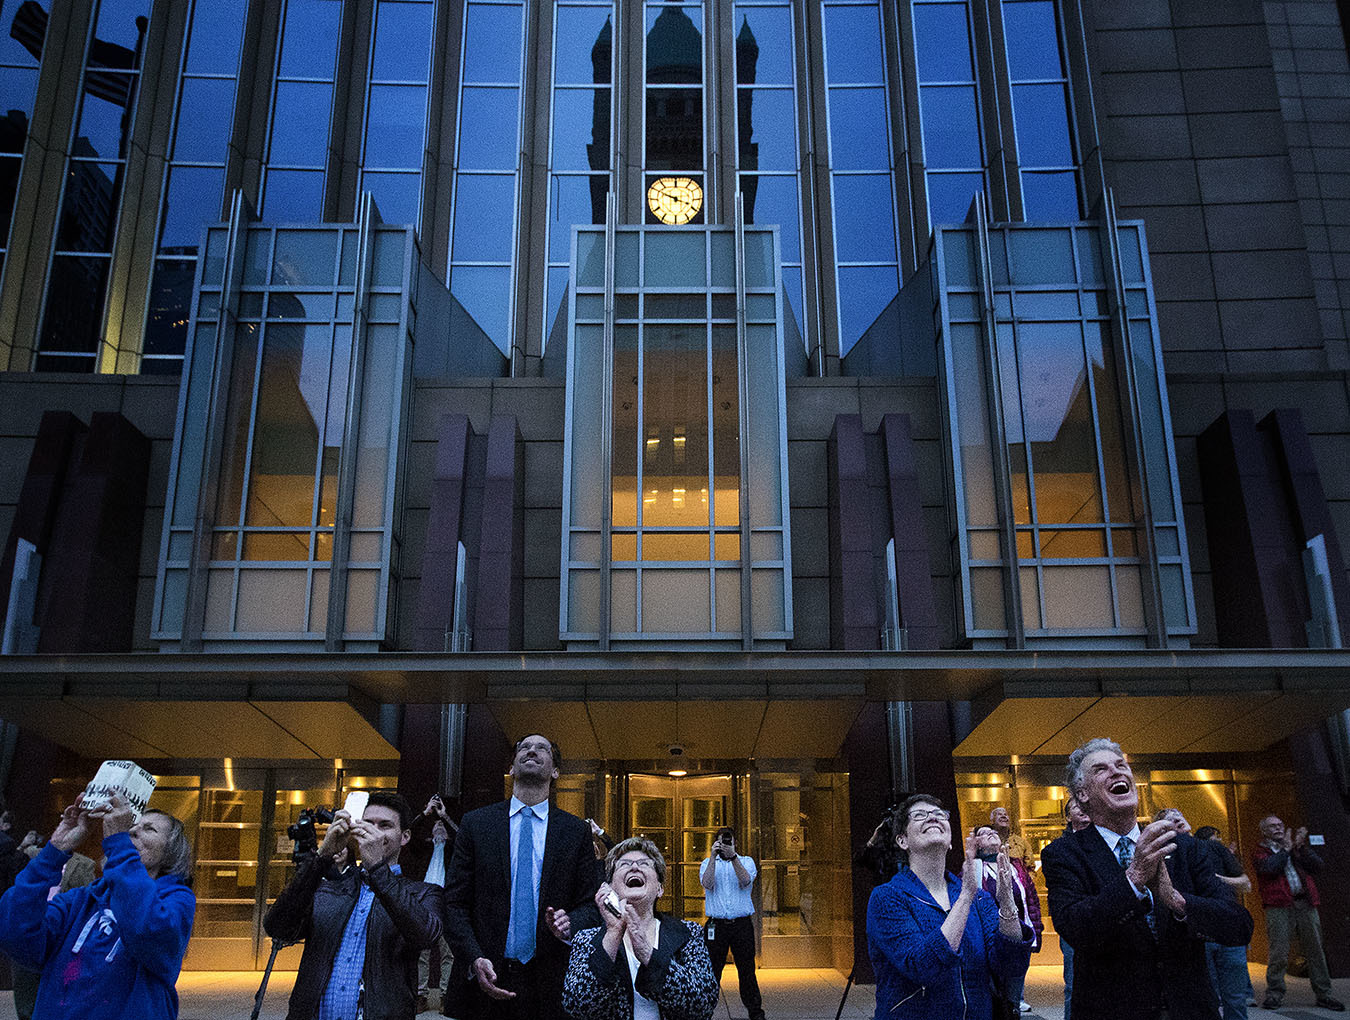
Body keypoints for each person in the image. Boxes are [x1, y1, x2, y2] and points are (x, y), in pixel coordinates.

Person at [1042, 738, 1252, 1020]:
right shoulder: (1064, 854)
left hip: (1190, 1009)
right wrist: (1133, 878)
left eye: (1121, 765)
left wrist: (1177, 901)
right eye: (1101, 769)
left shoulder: (1185, 848)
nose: (1117, 772)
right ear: (1082, 795)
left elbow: (1238, 926)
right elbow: (1076, 928)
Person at [443, 734, 601, 1020]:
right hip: (485, 976)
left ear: (555, 771)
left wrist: (570, 924)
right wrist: (473, 956)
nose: (532, 750)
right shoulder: (476, 824)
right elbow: (454, 901)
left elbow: (591, 904)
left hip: (552, 980)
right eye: (524, 748)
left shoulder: (575, 831)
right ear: (512, 768)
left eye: (542, 748)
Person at [0, 792, 195, 1020]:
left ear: (170, 851)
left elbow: (147, 928)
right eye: (130, 825)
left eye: (149, 829)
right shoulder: (80, 900)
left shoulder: (176, 900)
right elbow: (15, 933)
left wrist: (120, 847)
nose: (131, 831)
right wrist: (54, 851)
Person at [265, 790, 444, 1020]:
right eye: (367, 823)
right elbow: (278, 928)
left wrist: (378, 868)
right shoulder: (330, 888)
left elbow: (425, 935)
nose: (374, 831)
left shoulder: (423, 893)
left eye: (385, 825)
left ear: (405, 837)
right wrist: (322, 857)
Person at [866, 794, 1032, 1019]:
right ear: (902, 841)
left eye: (939, 815)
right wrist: (965, 897)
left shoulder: (980, 899)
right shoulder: (888, 898)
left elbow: (1010, 967)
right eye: (920, 815)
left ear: (951, 840)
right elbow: (921, 966)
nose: (933, 819)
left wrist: (1007, 903)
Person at [562, 837, 719, 1020]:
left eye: (644, 864)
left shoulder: (689, 934)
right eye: (624, 864)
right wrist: (612, 935)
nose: (634, 867)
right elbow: (577, 1005)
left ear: (660, 888)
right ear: (610, 887)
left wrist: (646, 953)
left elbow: (703, 1004)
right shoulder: (586, 939)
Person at [1252, 814, 1344, 1011]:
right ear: (1264, 832)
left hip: (1305, 904)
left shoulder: (1296, 848)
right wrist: (1286, 849)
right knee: (1279, 952)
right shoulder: (1261, 852)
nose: (1278, 828)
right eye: (1273, 826)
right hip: (1278, 906)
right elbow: (1270, 869)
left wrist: (1301, 848)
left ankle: (1324, 994)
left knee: (1316, 950)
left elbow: (1318, 866)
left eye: (1280, 825)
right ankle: (1275, 993)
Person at [973, 825, 1041, 1014]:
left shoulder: (1016, 866)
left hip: (1018, 937)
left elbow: (1032, 899)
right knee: (993, 995)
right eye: (984, 833)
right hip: (989, 939)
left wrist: (1036, 928)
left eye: (993, 832)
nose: (991, 834)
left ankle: (1014, 1006)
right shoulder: (973, 869)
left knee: (1012, 996)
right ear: (976, 844)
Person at [700, 826, 765, 1020]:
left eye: (729, 841)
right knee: (711, 971)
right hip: (716, 926)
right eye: (722, 841)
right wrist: (713, 856)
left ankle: (755, 1012)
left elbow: (746, 881)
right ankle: (705, 1011)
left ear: (735, 842)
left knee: (747, 971)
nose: (726, 845)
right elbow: (707, 883)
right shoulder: (707, 863)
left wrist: (733, 857)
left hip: (741, 925)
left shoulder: (746, 862)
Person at [1192, 823, 1254, 1020]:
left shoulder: (1215, 848)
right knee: (1207, 997)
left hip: (1228, 928)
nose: (1177, 823)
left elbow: (1245, 883)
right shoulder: (1170, 855)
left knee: (1235, 998)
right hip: (1198, 930)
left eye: (1179, 819)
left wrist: (1214, 879)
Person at [1060, 796, 1091, 1020]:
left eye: (1083, 806)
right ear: (1068, 817)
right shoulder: (1060, 849)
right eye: (1074, 807)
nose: (1080, 810)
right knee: (1074, 983)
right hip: (1075, 922)